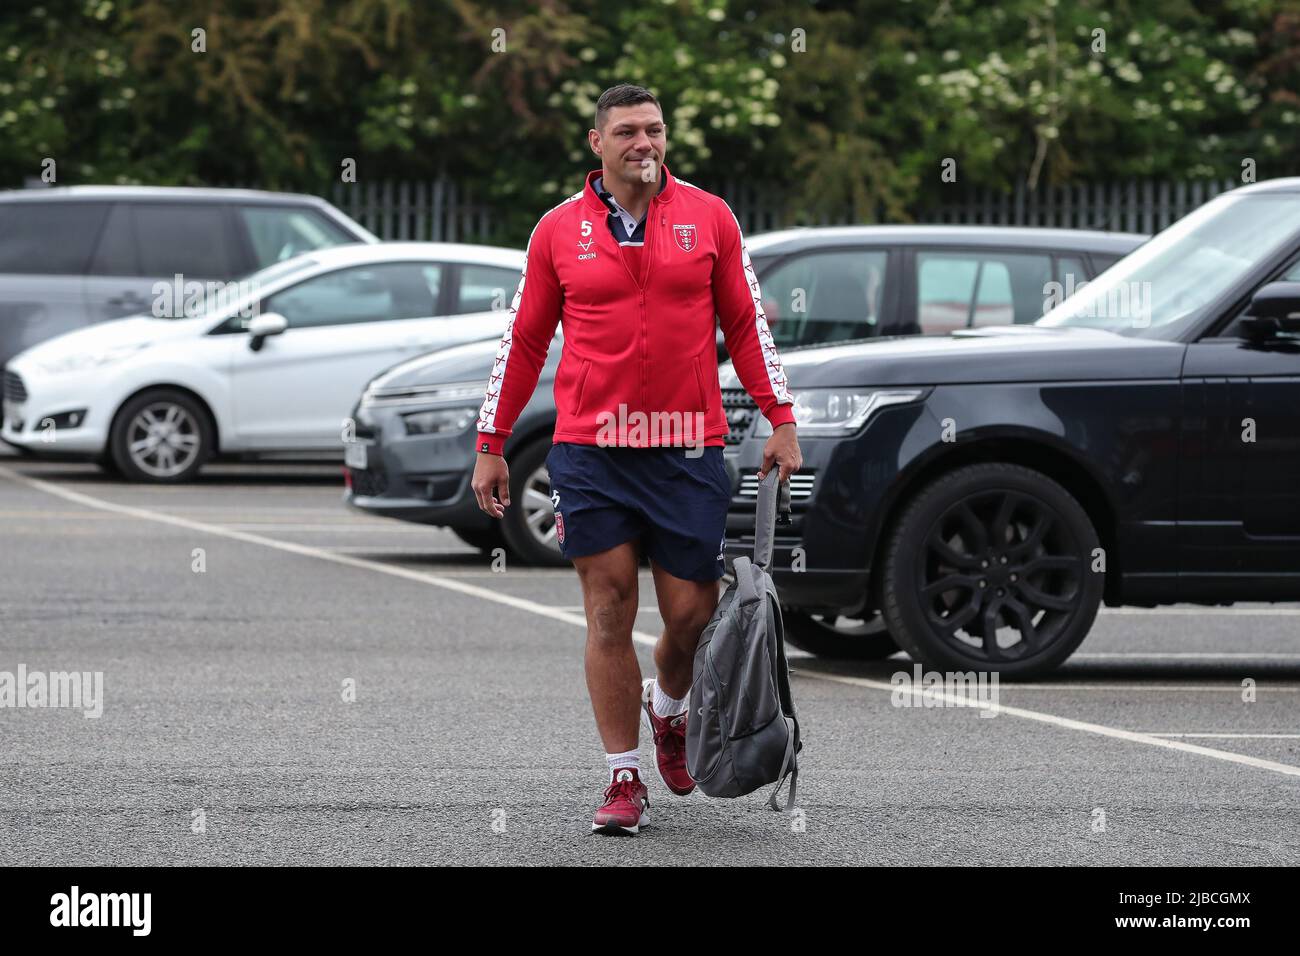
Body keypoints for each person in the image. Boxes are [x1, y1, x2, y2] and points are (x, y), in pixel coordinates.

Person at [471, 84, 801, 835]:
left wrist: (781, 418)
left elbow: (745, 324)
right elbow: (522, 342)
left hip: (687, 446)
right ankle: (623, 779)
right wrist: (492, 443)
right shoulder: (558, 230)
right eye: (627, 132)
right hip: (592, 449)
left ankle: (671, 710)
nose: (643, 143)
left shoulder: (709, 217)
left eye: (654, 130)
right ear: (598, 144)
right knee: (609, 606)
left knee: (690, 615)